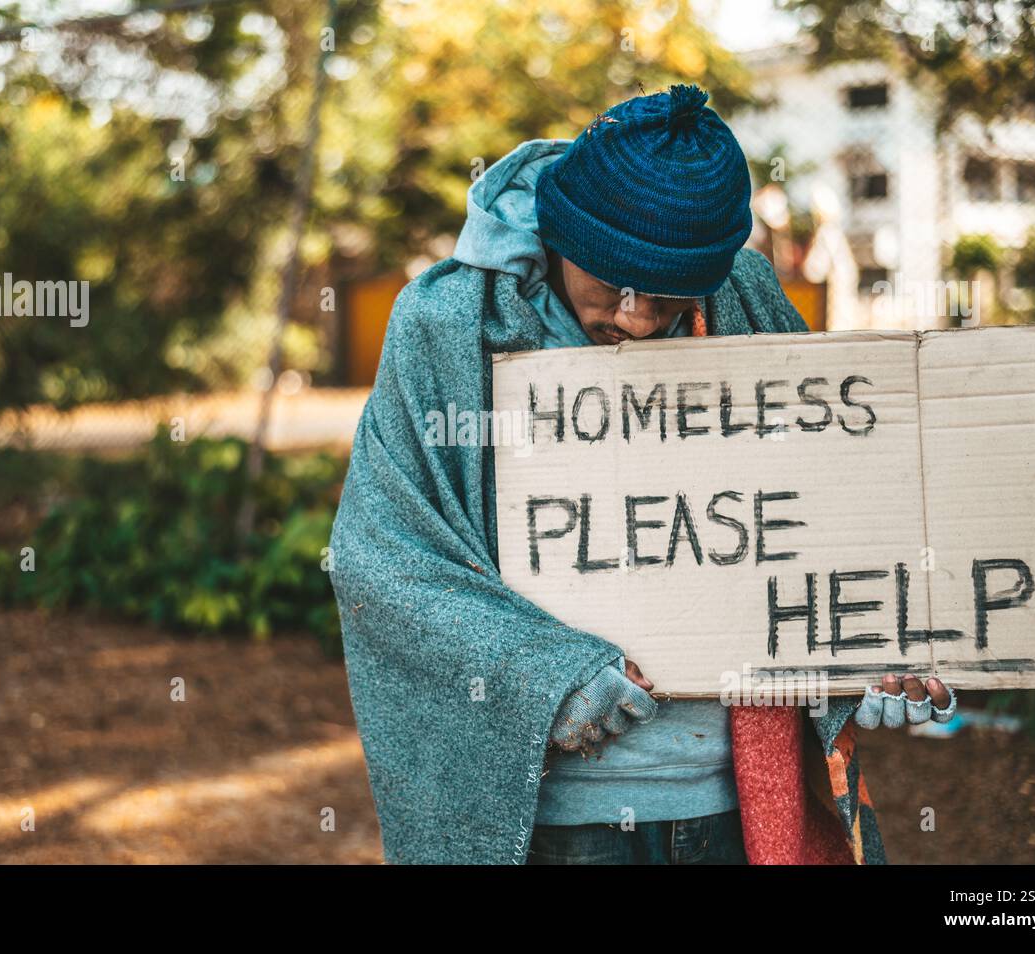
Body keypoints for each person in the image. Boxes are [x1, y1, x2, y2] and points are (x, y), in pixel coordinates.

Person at [330, 84, 956, 865]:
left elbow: (821, 511)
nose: (636, 319)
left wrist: (868, 654)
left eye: (668, 298)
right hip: (557, 819)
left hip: (733, 801)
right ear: (561, 233)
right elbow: (383, 556)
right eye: (615, 284)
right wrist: (547, 676)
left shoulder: (747, 298)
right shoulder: (449, 327)